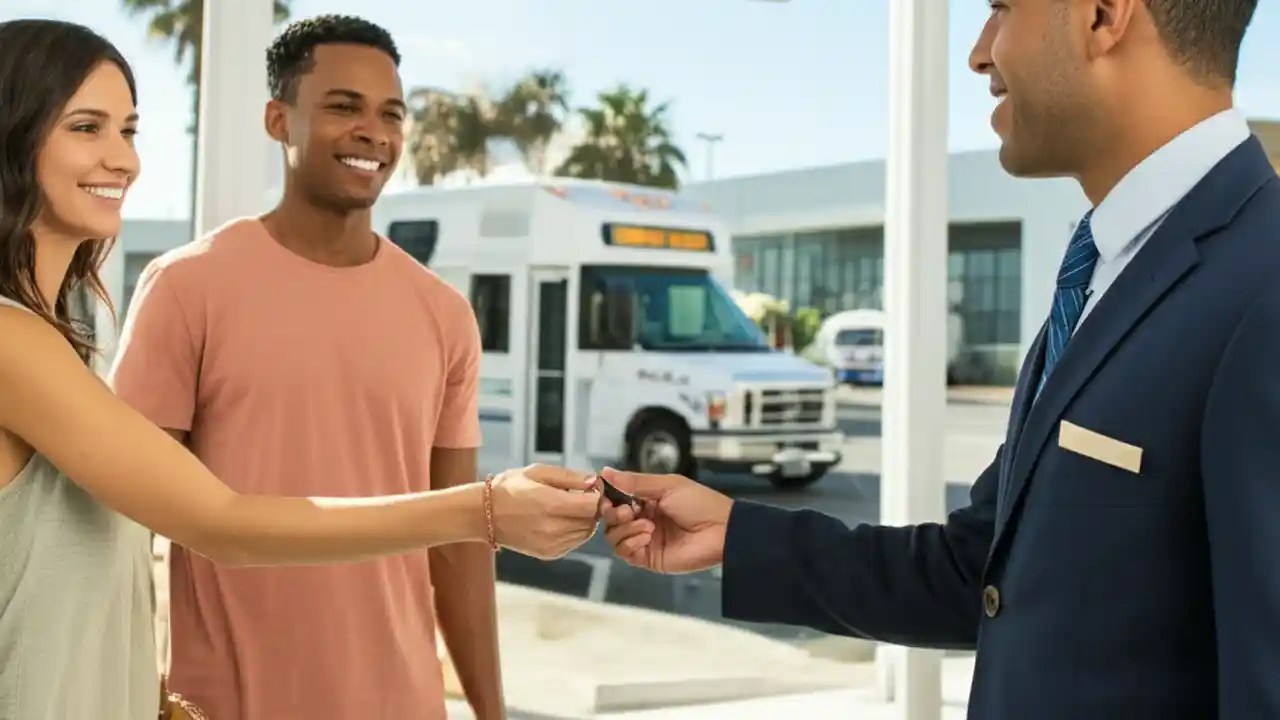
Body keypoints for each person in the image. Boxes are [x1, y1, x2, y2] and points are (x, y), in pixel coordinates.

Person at [602, 1, 1280, 718]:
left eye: (1001, 9)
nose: (980, 53)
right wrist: (736, 535)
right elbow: (983, 573)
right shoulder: (1110, 267)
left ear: (1103, 15)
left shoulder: (1263, 285)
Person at [0, 17, 601, 720]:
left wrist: (146, 692)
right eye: (86, 127)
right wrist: (486, 508)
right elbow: (217, 521)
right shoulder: (18, 341)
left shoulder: (51, 348)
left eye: (128, 131)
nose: (123, 160)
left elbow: (77, 581)